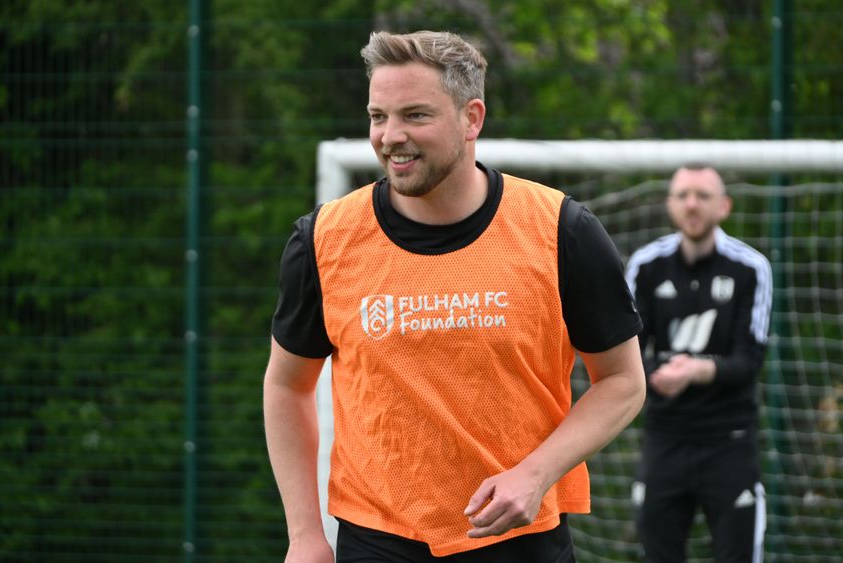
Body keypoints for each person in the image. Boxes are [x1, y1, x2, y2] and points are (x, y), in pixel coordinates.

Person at [263, 30, 646, 563]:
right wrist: (304, 534)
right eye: (378, 116)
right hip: (377, 539)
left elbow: (623, 381)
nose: (390, 136)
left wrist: (535, 473)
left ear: (472, 119)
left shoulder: (560, 230)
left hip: (518, 540)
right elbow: (287, 385)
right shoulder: (323, 240)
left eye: (415, 116)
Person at [625, 165, 773, 563]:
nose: (692, 204)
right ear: (670, 205)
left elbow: (749, 362)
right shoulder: (645, 264)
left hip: (729, 441)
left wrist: (694, 370)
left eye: (703, 196)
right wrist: (660, 372)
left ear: (724, 206)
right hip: (665, 437)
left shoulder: (750, 268)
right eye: (683, 195)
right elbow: (628, 355)